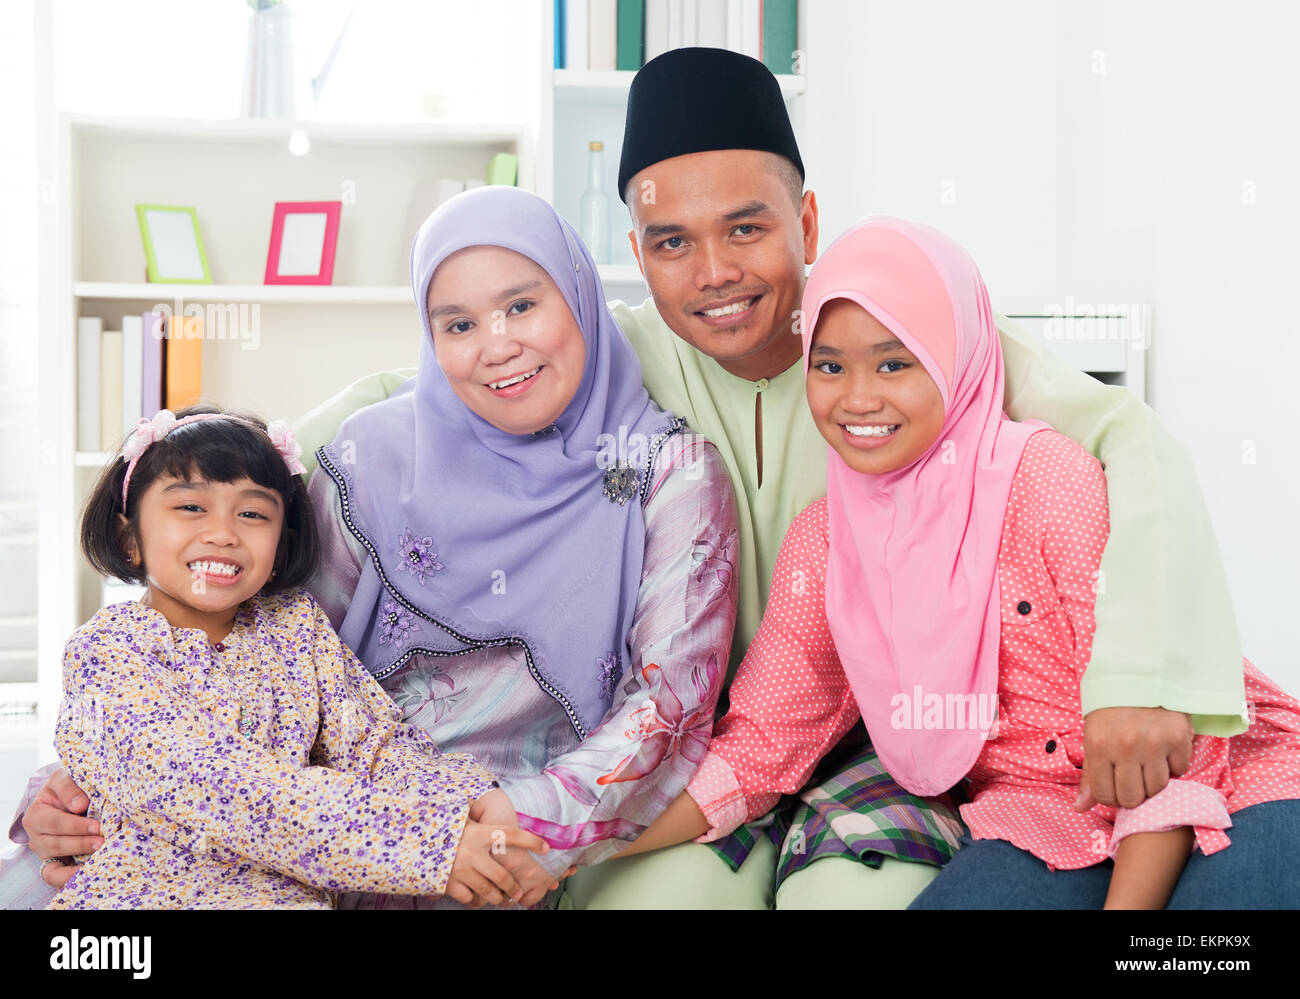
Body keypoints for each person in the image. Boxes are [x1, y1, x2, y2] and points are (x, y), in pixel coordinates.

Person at [15, 48, 1250, 909]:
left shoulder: (897, 335)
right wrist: (116, 726)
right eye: (669, 241)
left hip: (892, 728)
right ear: (632, 255)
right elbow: (337, 436)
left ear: (808, 224)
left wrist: (1137, 678)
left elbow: (1123, 442)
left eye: (748, 228)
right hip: (697, 746)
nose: (714, 271)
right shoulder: (607, 354)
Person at [624, 216, 1300, 909]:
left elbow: (1170, 733)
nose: (858, 397)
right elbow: (762, 743)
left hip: (1228, 779)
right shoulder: (826, 542)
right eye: (829, 365)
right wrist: (588, 840)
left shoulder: (1044, 480)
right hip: (1041, 813)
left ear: (955, 358)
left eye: (895, 362)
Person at [303, 185, 738, 908]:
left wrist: (526, 822)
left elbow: (668, 704)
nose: (497, 345)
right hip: (342, 818)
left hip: (514, 839)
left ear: (579, 296)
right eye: (460, 323)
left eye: (522, 305)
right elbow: (271, 651)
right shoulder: (369, 457)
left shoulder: (669, 473)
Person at [15, 404, 554, 909]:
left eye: (252, 513)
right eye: (190, 507)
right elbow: (214, 785)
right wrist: (429, 845)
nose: (223, 533)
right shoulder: (107, 651)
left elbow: (374, 746)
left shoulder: (298, 629)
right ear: (128, 537)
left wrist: (479, 811)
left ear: (281, 546)